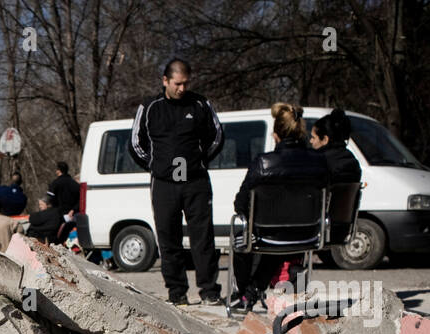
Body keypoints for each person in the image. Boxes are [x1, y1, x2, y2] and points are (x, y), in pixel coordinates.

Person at [129, 58, 224, 306]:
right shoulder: (150, 107)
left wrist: (200, 161)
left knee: (203, 237)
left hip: (195, 181)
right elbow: (135, 143)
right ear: (165, 81)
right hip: (164, 183)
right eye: (177, 84)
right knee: (168, 238)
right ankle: (177, 291)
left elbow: (217, 136)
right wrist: (156, 166)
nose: (182, 89)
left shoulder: (200, 103)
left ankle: (209, 290)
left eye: (186, 84)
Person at [228, 103, 330, 311]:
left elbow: (240, 204)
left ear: (275, 135)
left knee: (241, 240)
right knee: (281, 240)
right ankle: (252, 292)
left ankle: (246, 292)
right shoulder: (320, 162)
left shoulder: (263, 163)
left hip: (269, 235)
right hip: (308, 234)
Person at [309, 108, 362, 184]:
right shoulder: (353, 162)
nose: (310, 141)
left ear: (325, 139)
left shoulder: (320, 163)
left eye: (313, 137)